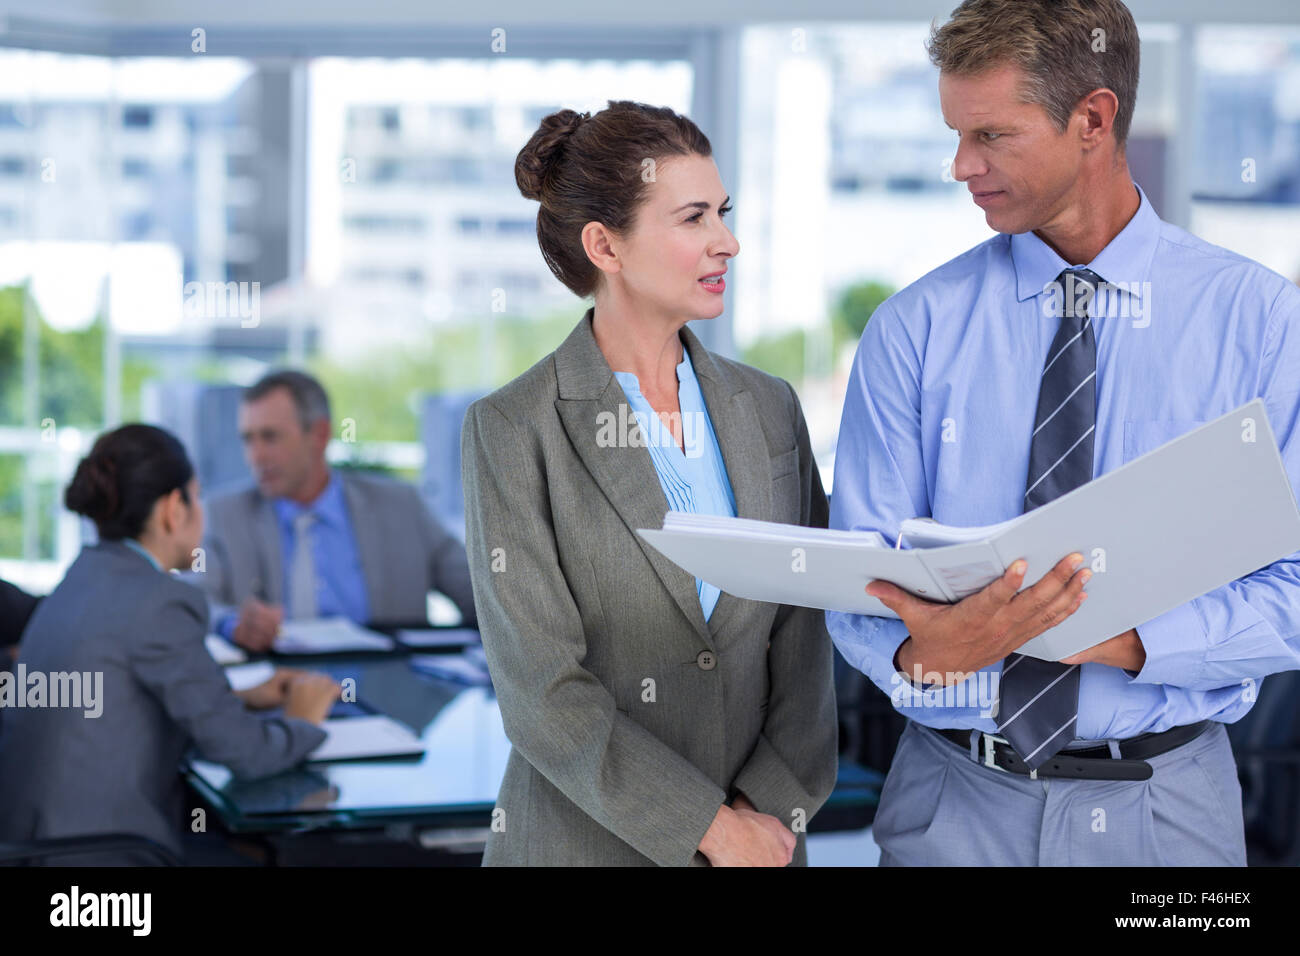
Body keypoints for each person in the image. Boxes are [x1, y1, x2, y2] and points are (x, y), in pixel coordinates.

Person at [827, 0, 1300, 866]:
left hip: (1171, 816)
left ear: (1093, 119)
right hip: (952, 805)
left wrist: (1122, 640)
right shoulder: (912, 329)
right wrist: (917, 645)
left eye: (991, 136)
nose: (961, 165)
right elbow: (855, 572)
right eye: (956, 134)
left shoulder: (1264, 325)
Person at [461, 100, 838, 866]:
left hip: (761, 846)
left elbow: (806, 635)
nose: (726, 242)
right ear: (606, 245)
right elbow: (543, 693)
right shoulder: (514, 428)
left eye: (723, 214)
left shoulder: (767, 408)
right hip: (579, 847)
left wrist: (764, 815)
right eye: (693, 217)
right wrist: (711, 829)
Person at [0, 424, 339, 865]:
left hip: (37, 848)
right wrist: (304, 720)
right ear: (172, 510)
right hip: (104, 859)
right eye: (195, 498)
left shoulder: (81, 576)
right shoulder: (160, 600)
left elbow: (117, 694)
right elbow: (244, 754)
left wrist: (237, 698)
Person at [195, 369, 477, 652]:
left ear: (319, 434)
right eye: (248, 439)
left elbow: (479, 596)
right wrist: (231, 625)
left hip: (386, 685)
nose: (255, 456)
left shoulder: (400, 506)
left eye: (270, 437)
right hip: (279, 688)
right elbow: (195, 601)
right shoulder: (223, 515)